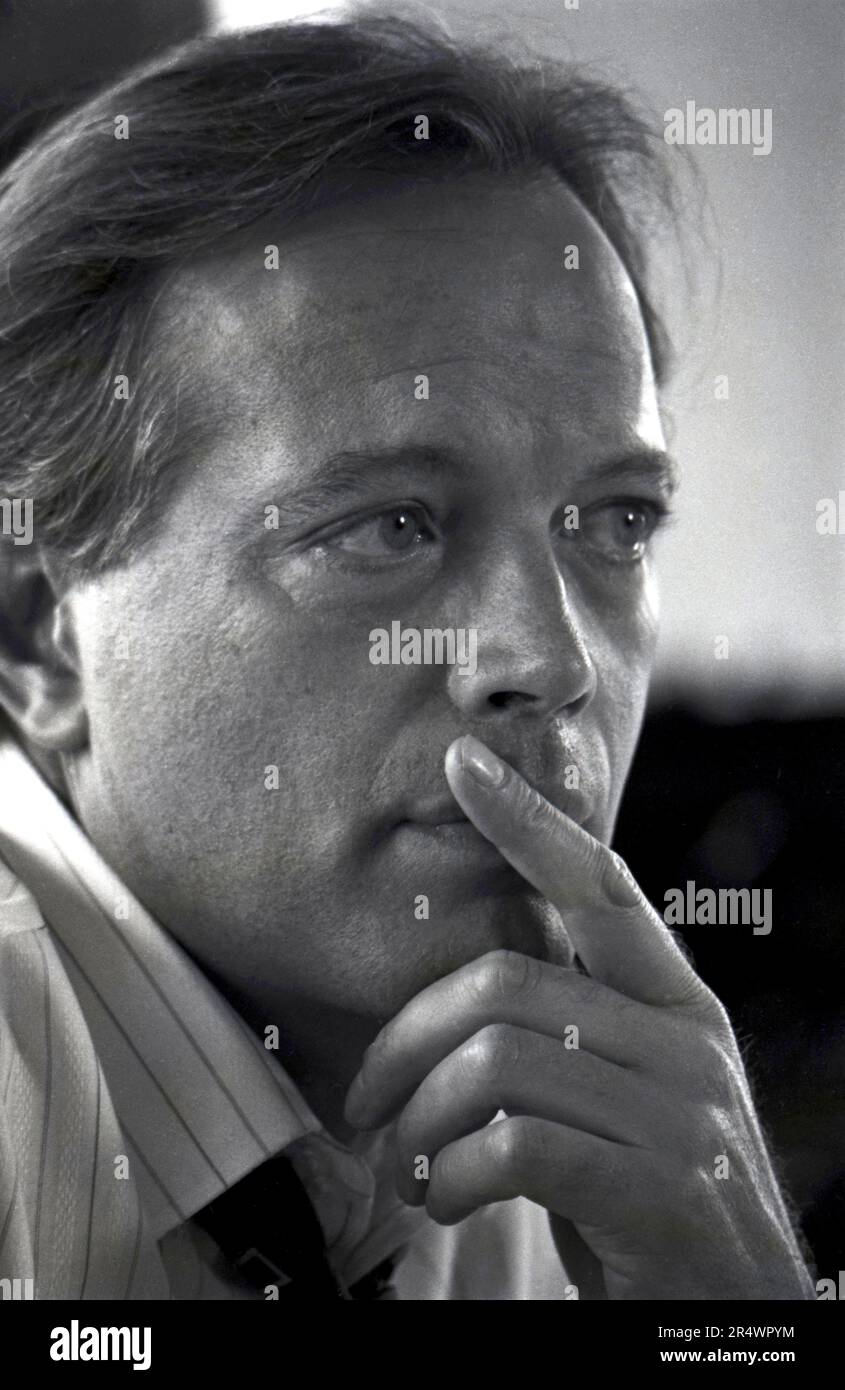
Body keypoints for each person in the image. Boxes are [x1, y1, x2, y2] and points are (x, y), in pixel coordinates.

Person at [0, 14, 814, 1300]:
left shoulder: (568, 1137)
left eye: (613, 522)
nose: (550, 661)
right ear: (38, 637)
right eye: (390, 525)